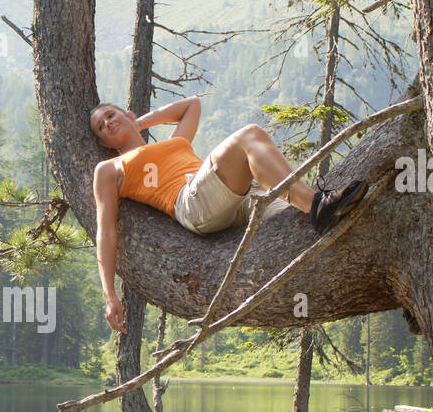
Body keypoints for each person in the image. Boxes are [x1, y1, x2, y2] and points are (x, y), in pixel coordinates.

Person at [91, 97, 367, 332]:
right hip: (193, 203)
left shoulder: (176, 141)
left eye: (110, 115)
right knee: (249, 134)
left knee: (300, 223)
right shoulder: (109, 168)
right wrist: (109, 295)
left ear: (126, 114)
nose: (107, 123)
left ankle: (328, 221)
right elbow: (105, 231)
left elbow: (192, 105)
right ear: (103, 142)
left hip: (237, 198)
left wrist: (137, 123)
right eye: (101, 127)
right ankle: (317, 204)